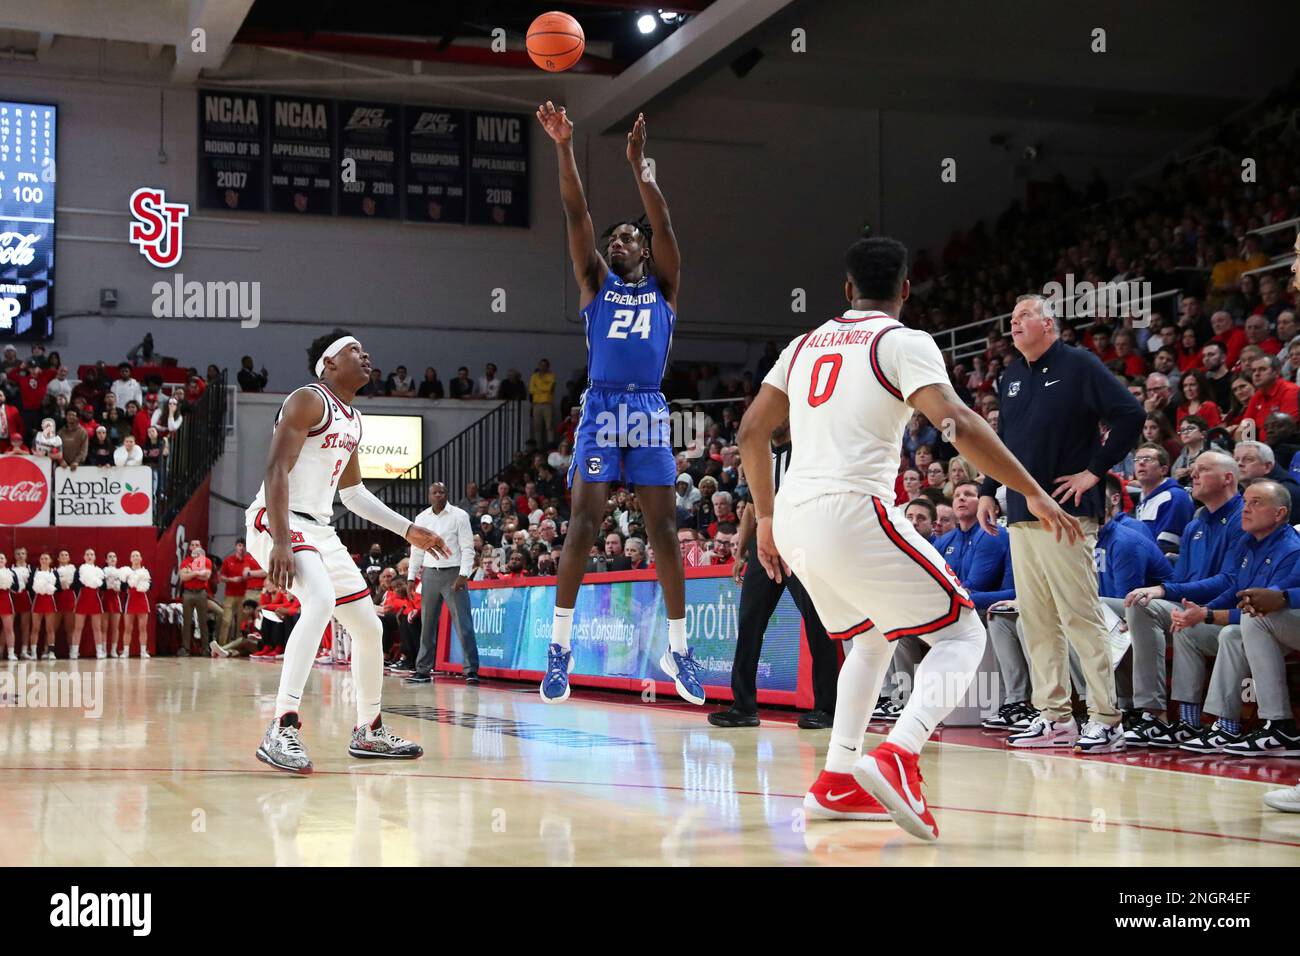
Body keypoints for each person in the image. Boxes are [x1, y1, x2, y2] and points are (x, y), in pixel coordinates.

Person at [739, 236, 1079, 842]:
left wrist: (764, 520)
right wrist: (1032, 489)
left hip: (793, 517)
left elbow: (750, 433)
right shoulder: (903, 341)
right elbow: (960, 423)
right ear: (905, 289)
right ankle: (900, 752)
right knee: (962, 631)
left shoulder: (801, 344)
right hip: (852, 504)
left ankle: (839, 775)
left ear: (846, 290)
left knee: (869, 640)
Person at [534, 103, 699, 706]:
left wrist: (639, 167)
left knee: (663, 527)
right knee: (584, 520)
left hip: (649, 409)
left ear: (645, 250)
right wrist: (562, 145)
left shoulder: (667, 287)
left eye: (629, 236)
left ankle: (679, 649)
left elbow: (666, 229)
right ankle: (560, 646)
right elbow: (576, 211)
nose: (620, 242)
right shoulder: (595, 284)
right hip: (603, 409)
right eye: (614, 239)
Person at [245, 329, 447, 773]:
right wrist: (281, 539)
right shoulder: (308, 399)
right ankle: (282, 725)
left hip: (320, 530)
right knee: (319, 600)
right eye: (355, 350)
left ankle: (369, 730)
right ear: (330, 363)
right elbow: (276, 468)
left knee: (368, 627)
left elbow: (353, 495)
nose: (366, 355)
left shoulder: (353, 419)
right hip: (279, 518)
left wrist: (408, 528)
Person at [980, 292, 1145, 755]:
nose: (1014, 324)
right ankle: (1053, 717)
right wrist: (992, 489)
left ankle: (1106, 718)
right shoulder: (1010, 377)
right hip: (1020, 514)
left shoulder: (1080, 365)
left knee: (1079, 614)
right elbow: (1005, 443)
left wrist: (1096, 470)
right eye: (1011, 317)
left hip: (1067, 511)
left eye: (1024, 315)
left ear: (1049, 324)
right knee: (1035, 619)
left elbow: (1131, 414)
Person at [709, 421, 838, 729]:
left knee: (818, 625)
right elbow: (752, 509)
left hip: (800, 544)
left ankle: (827, 709)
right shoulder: (763, 455)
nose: (773, 421)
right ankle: (743, 706)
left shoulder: (809, 449)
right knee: (749, 623)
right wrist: (741, 553)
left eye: (779, 415)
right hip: (764, 545)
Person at [1122, 452, 1244, 746]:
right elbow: (1181, 580)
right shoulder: (1196, 522)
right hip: (1188, 605)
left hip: (1221, 611)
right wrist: (1167, 591)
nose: (1193, 475)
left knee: (1150, 604)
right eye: (1194, 469)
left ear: (1228, 478)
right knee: (1123, 606)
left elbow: (1230, 581)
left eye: (1203, 470)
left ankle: (1176, 718)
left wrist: (1164, 591)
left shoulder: (1243, 518)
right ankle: (1144, 713)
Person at [405, 482, 479, 686]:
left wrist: (464, 574)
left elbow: (467, 548)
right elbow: (416, 550)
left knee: (463, 623)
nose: (438, 495)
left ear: (447, 494)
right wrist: (412, 577)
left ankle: (471, 670)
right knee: (427, 624)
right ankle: (423, 670)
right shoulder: (421, 518)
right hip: (429, 574)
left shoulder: (459, 516)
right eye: (434, 492)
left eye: (442, 492)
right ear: (429, 496)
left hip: (454, 572)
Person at [1132, 443, 1194, 558]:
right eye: (1137, 459)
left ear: (1163, 470)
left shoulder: (1174, 497)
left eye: (1148, 459)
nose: (1141, 462)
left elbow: (1167, 549)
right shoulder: (1143, 500)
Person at [178, 540, 214, 656]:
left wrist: (191, 572)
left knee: (203, 621)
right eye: (192, 545)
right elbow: (183, 577)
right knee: (187, 622)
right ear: (189, 548)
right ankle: (185, 648)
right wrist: (198, 572)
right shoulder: (185, 561)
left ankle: (205, 648)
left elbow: (206, 576)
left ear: (201, 547)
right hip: (188, 593)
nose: (194, 547)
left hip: (201, 593)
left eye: (197, 545)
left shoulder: (206, 561)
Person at [529, 358, 556, 446]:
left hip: (547, 404)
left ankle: (550, 446)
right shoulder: (534, 376)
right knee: (537, 427)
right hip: (536, 404)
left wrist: (538, 386)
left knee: (549, 426)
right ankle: (538, 446)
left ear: (548, 367)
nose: (542, 367)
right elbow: (531, 390)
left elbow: (549, 389)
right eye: (541, 365)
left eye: (544, 365)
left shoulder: (551, 376)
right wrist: (543, 386)